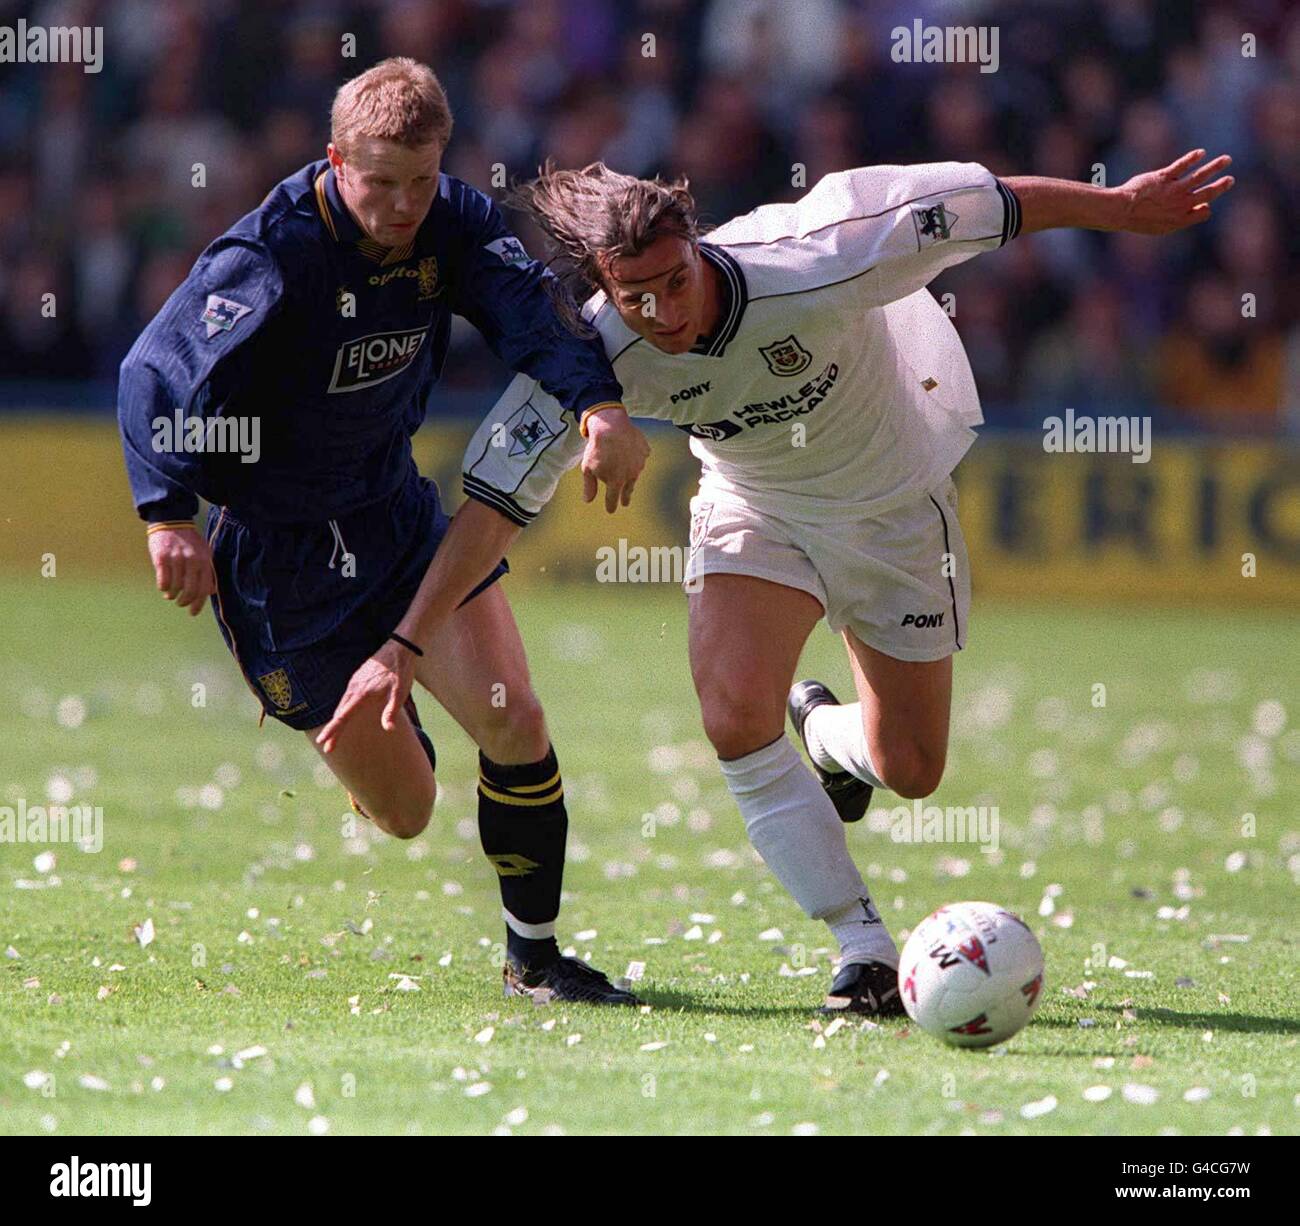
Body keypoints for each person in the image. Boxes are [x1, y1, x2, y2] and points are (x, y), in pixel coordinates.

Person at [451, 149, 1233, 1014]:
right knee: (733, 718)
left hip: (893, 508)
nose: (661, 312)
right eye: (635, 294)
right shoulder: (597, 347)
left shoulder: (822, 249)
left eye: (674, 283)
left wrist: (1122, 207)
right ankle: (862, 948)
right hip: (757, 502)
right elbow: (497, 483)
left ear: (696, 245)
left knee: (913, 768)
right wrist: (414, 623)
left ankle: (825, 735)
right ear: (603, 276)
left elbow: (987, 206)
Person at [117, 58, 651, 1006]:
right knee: (407, 811)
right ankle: (385, 732)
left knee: (514, 718)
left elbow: (535, 318)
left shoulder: (453, 220)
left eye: (423, 178)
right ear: (334, 160)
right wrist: (168, 514)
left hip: (393, 517)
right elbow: (153, 376)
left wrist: (600, 408)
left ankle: (535, 959)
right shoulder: (269, 254)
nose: (406, 204)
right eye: (381, 182)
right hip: (280, 566)